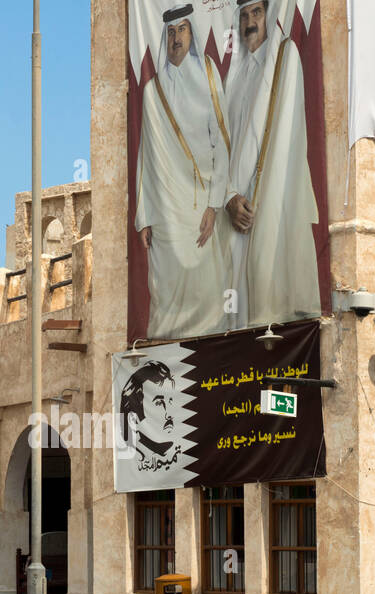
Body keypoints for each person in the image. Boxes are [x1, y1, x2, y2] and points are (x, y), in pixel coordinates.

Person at [134, 3, 233, 340]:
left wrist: (213, 203)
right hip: (164, 208)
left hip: (200, 200)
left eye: (183, 30)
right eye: (171, 32)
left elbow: (222, 140)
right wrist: (144, 215)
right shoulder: (152, 91)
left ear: (193, 34)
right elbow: (145, 155)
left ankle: (211, 345)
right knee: (166, 285)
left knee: (207, 284)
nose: (177, 38)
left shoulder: (207, 73)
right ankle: (165, 342)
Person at [224, 0, 321, 328]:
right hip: (236, 210)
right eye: (244, 15)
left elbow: (277, 140)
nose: (250, 22)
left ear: (269, 14)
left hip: (271, 200)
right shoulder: (234, 76)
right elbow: (223, 147)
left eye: (257, 13)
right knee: (236, 315)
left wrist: (244, 198)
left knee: (270, 304)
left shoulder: (284, 56)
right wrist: (229, 196)